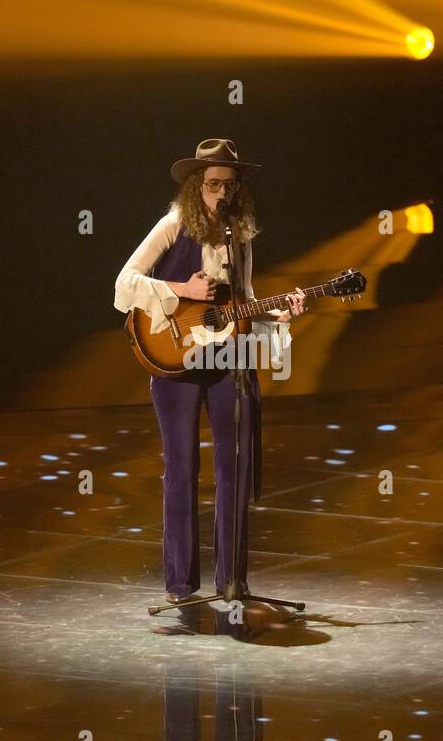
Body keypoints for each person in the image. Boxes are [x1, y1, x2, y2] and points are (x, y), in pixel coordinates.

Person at [114, 139, 305, 604]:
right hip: (176, 360)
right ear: (197, 187)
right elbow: (124, 285)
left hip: (228, 360)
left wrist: (275, 316)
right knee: (181, 468)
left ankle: (231, 581)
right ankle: (180, 584)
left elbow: (244, 299)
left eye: (229, 185)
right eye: (213, 184)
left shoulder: (239, 235)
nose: (222, 193)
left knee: (234, 466)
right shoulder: (174, 223)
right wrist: (182, 289)